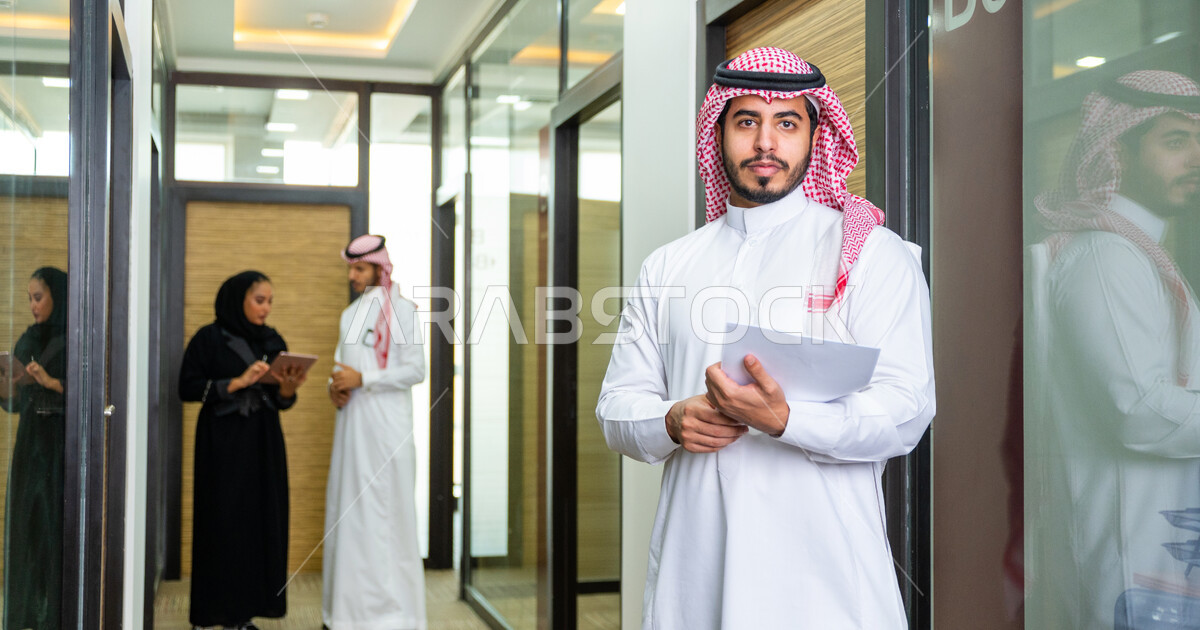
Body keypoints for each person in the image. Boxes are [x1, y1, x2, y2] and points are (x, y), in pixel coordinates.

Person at [595, 47, 935, 628]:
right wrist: (671, 421)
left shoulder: (871, 255)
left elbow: (906, 410)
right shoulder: (669, 265)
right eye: (747, 121)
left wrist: (787, 420)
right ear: (719, 133)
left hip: (823, 581)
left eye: (787, 123)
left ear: (814, 135)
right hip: (694, 568)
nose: (766, 144)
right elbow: (616, 408)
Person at [1025, 71, 1200, 627]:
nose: (1196, 157)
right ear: (1117, 150)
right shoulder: (1106, 255)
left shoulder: (1143, 254)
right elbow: (1138, 411)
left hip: (1162, 532)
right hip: (1127, 545)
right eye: (1175, 142)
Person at [179, 270, 307, 630]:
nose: (266, 309)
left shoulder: (272, 340)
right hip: (220, 445)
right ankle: (209, 614)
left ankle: (243, 615)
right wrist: (236, 382)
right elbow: (186, 388)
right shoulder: (209, 339)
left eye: (270, 302)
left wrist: (287, 388)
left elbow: (283, 402)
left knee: (259, 523)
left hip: (263, 443)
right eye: (259, 300)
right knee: (220, 522)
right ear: (238, 299)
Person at [322, 235, 426, 630]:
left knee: (388, 517)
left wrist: (365, 378)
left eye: (359, 268)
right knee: (350, 515)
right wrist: (335, 388)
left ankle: (393, 616)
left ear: (379, 269)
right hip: (353, 431)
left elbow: (416, 370)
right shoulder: (349, 315)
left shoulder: (402, 312)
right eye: (350, 268)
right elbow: (339, 366)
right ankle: (348, 615)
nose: (352, 275)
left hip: (388, 431)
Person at [0, 267, 67, 630]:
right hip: (31, 445)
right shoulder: (27, 339)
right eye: (28, 298)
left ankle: (56, 616)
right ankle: (26, 617)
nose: (32, 306)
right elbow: (13, 404)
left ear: (56, 297)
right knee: (28, 528)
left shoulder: (76, 337)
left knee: (55, 526)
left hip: (61, 444)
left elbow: (91, 396)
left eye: (37, 297)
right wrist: (6, 385)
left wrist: (52, 382)